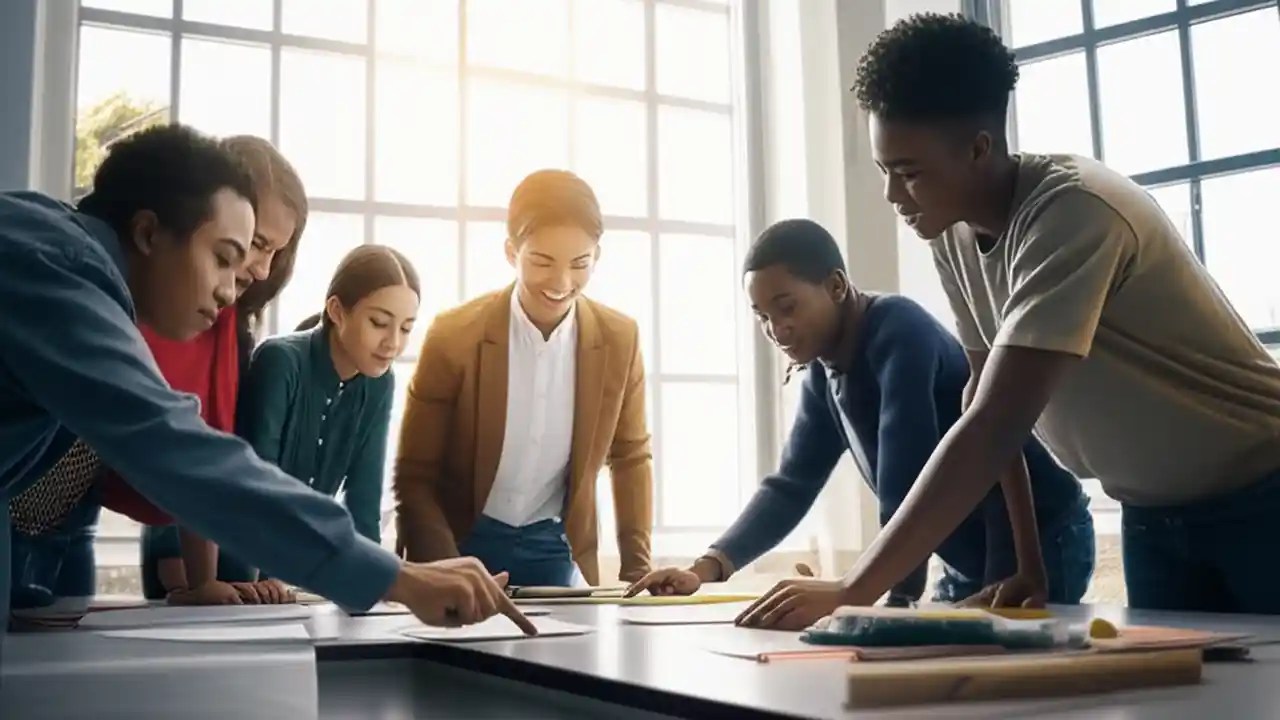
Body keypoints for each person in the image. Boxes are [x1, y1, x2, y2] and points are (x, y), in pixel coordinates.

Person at [740, 13, 1280, 628]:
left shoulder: (1075, 211)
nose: (893, 195)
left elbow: (996, 422)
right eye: (885, 170)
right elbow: (983, 400)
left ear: (978, 149)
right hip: (1150, 512)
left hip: (1262, 493)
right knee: (1182, 683)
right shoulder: (952, 234)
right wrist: (1024, 563)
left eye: (908, 173)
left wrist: (853, 588)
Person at [0, 124, 533, 638]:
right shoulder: (60, 270)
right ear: (148, 233)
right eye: (223, 258)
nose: (232, 288)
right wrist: (399, 578)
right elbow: (177, 450)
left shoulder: (53, 247)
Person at [627, 219, 1094, 606]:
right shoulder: (821, 372)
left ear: (836, 286)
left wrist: (892, 598)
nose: (776, 328)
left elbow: (904, 477)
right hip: (965, 559)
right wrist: (705, 569)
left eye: (786, 307)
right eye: (763, 316)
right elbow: (791, 486)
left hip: (1042, 538)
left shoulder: (900, 331)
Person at [8, 135, 308, 611]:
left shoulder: (204, 311)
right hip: (35, 505)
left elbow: (200, 439)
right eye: (249, 246)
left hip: (75, 508)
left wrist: (206, 579)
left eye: (276, 251)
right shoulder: (117, 285)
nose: (262, 271)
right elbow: (176, 442)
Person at [394, 169, 653, 587]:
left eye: (580, 264)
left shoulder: (620, 338)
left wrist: (638, 569)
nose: (561, 283)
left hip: (554, 546)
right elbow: (415, 474)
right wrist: (444, 569)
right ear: (511, 251)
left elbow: (630, 456)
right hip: (458, 541)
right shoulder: (453, 334)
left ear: (597, 257)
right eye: (542, 262)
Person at [146, 244, 419, 598]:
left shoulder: (379, 382)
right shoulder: (281, 361)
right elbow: (257, 485)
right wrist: (264, 578)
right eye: (379, 323)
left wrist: (374, 587)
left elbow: (363, 503)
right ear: (337, 311)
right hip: (197, 558)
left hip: (272, 576)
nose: (393, 343)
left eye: (406, 328)